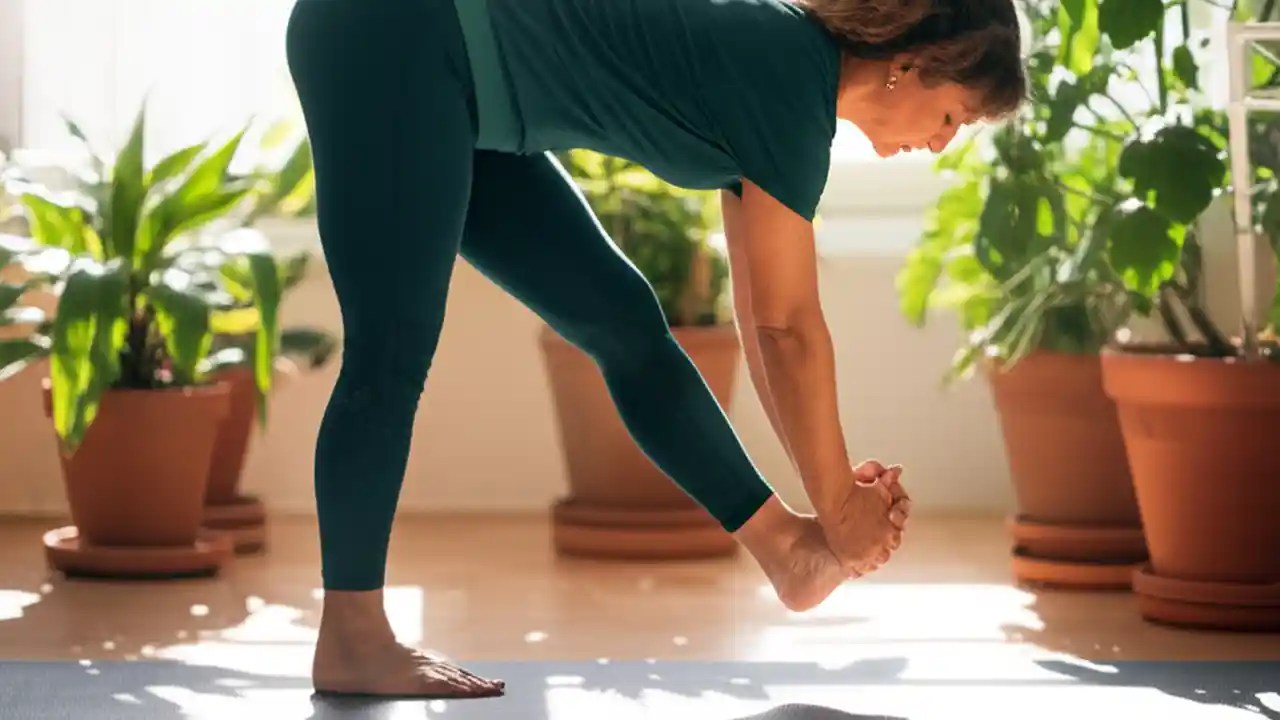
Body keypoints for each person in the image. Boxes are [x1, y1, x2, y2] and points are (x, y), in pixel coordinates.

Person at [284, 0, 1026, 699]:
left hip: (466, 86)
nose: (941, 142)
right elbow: (788, 328)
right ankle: (351, 633)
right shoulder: (791, 75)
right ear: (914, 62)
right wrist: (840, 505)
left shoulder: (791, 85)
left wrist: (829, 517)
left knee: (623, 322)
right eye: (953, 115)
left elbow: (761, 324)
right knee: (390, 355)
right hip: (398, 36)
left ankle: (786, 554)